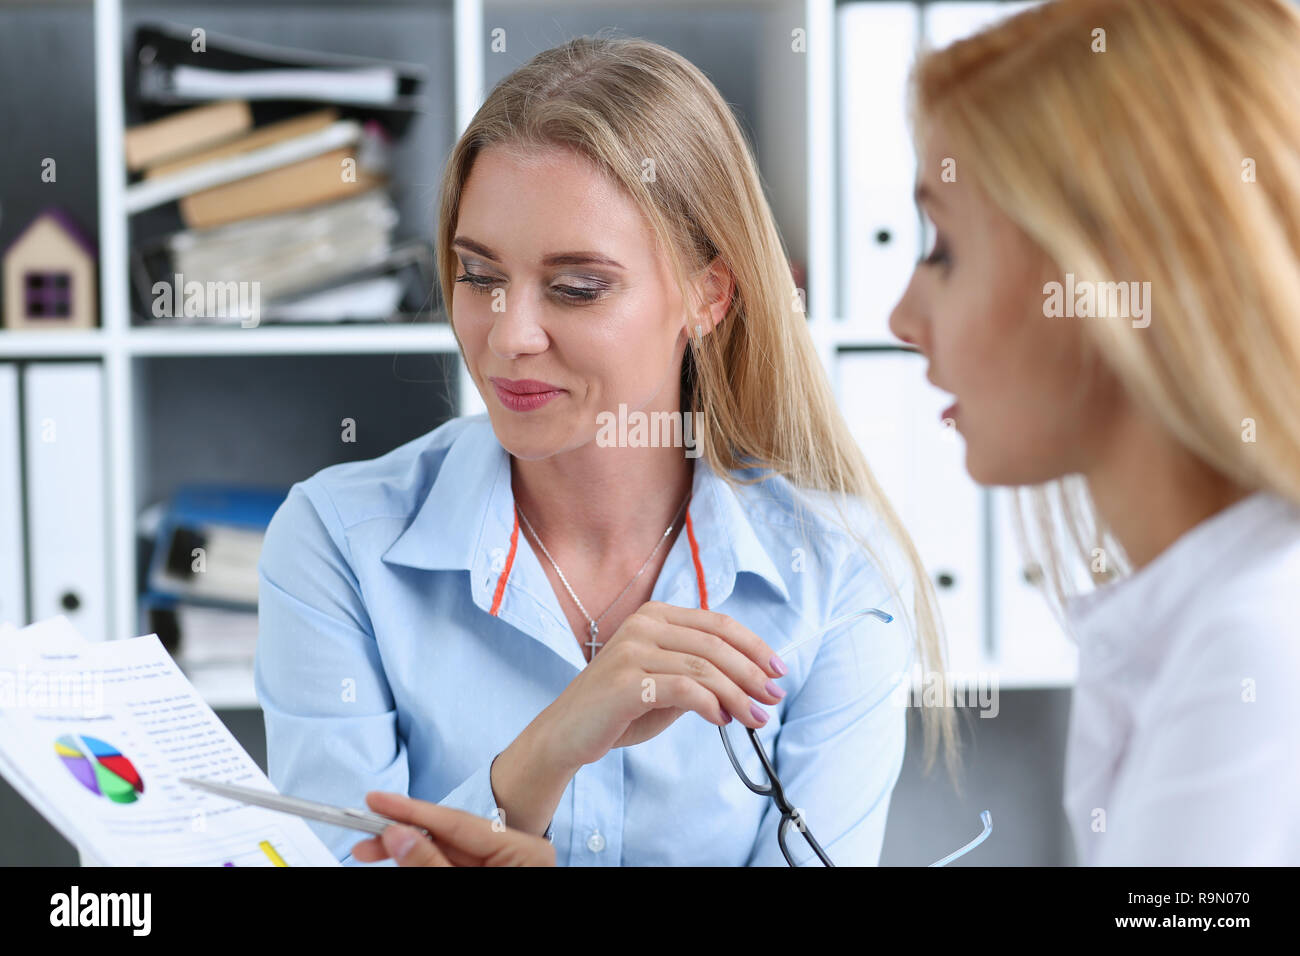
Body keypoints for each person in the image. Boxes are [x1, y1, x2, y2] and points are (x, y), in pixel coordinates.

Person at [361, 0, 1300, 867]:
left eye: (946, 248)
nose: (901, 311)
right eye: (478, 274)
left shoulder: (1253, 645)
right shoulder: (1172, 623)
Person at [256, 32, 954, 867]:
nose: (508, 335)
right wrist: (546, 752)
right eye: (479, 276)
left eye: (575, 288)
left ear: (707, 295)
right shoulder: (337, 541)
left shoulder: (835, 577)